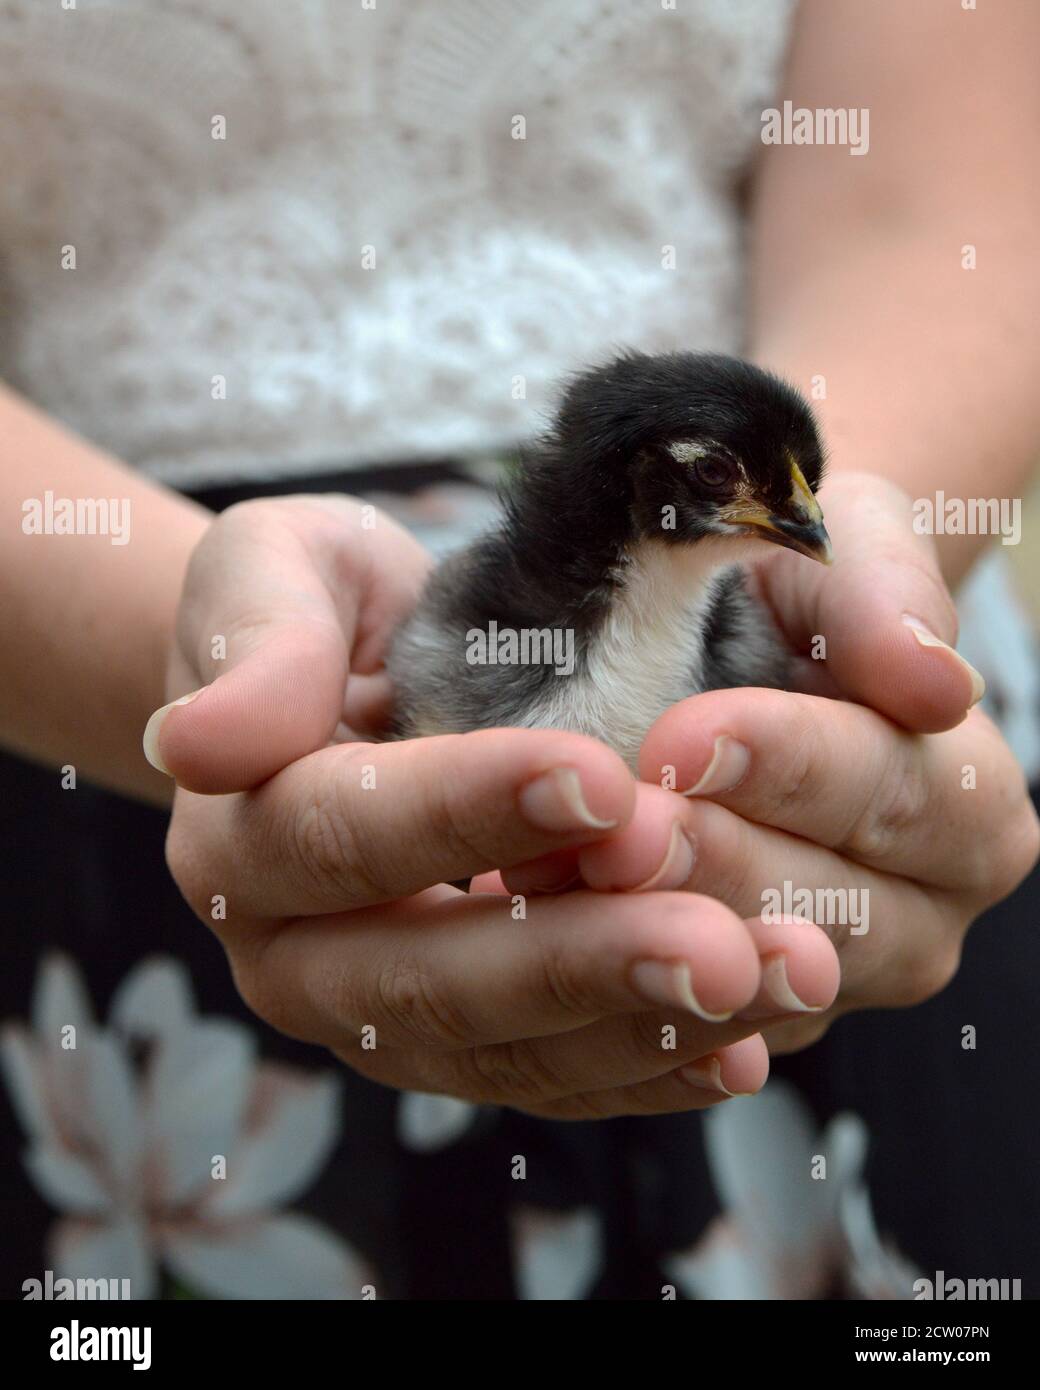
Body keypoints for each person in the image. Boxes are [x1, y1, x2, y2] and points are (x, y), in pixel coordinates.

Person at [1, 0, 1038, 1298]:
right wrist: (241, 673)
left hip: (823, 824)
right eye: (742, 486)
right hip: (118, 735)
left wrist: (859, 588)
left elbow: (928, 213)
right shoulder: (481, 628)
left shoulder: (747, 618)